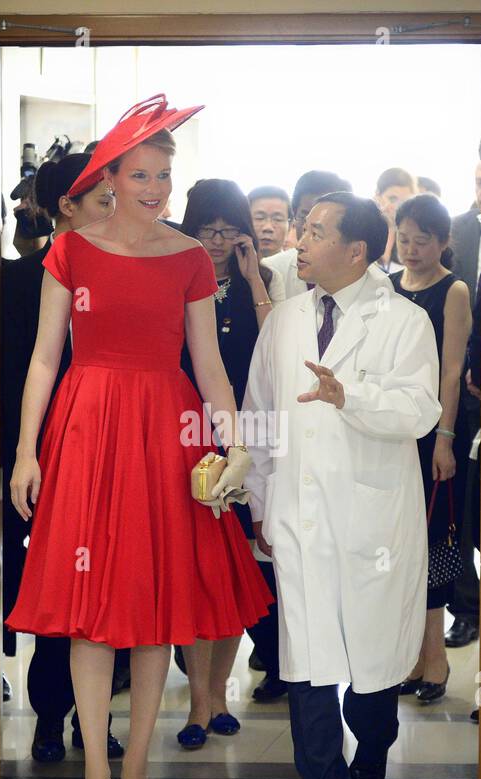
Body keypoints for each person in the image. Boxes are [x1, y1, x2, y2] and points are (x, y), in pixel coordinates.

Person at [5, 95, 274, 779]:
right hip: (87, 426)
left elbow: (211, 368)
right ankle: (97, 769)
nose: (155, 188)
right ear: (111, 178)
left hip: (165, 430)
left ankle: (135, 770)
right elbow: (43, 357)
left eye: (164, 174)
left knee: (154, 604)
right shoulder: (72, 250)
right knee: (91, 610)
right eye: (141, 174)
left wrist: (232, 441)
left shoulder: (190, 256)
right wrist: (26, 452)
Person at [243, 192, 440, 779]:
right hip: (299, 517)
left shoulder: (405, 322)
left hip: (373, 523)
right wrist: (258, 499)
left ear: (355, 251)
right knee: (306, 662)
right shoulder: (284, 321)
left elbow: (419, 412)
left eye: (314, 231)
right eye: (300, 229)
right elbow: (260, 415)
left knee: (371, 670)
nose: (298, 240)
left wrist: (347, 395)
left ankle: (375, 746)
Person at [1, 150, 131, 763]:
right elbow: (15, 371)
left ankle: (96, 720)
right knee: (57, 588)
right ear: (65, 208)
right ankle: (50, 715)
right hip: (45, 456)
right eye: (102, 200)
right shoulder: (18, 281)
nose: (115, 209)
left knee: (114, 586)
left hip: (117, 452)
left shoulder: (132, 268)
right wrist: (21, 454)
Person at [174, 179, 282, 744]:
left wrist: (253, 279)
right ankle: (197, 702)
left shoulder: (259, 284)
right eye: (206, 231)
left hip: (250, 438)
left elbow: (279, 355)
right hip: (187, 434)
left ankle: (219, 694)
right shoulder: (172, 277)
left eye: (226, 231)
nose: (215, 242)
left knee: (237, 570)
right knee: (196, 571)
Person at [386, 195, 472, 704]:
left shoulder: (453, 289)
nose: (412, 249)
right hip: (392, 430)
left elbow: (451, 371)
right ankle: (414, 656)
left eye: (423, 240)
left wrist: (445, 437)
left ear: (443, 242)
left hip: (430, 435)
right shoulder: (388, 286)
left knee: (434, 540)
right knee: (401, 545)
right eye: (404, 238)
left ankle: (435, 659)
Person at [446, 148, 481, 651]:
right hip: (458, 392)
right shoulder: (456, 230)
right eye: (478, 179)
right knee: (455, 506)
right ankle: (466, 607)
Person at [262, 171, 389, 303]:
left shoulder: (379, 283)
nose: (300, 244)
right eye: (305, 218)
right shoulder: (270, 271)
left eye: (317, 231)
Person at [373, 167, 416, 271]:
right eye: (392, 199)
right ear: (377, 196)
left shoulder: (416, 238)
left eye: (404, 201)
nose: (397, 207)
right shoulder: (362, 231)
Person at [247, 185, 292, 259]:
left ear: (290, 226)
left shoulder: (299, 268)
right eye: (259, 218)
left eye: (278, 219)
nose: (268, 228)